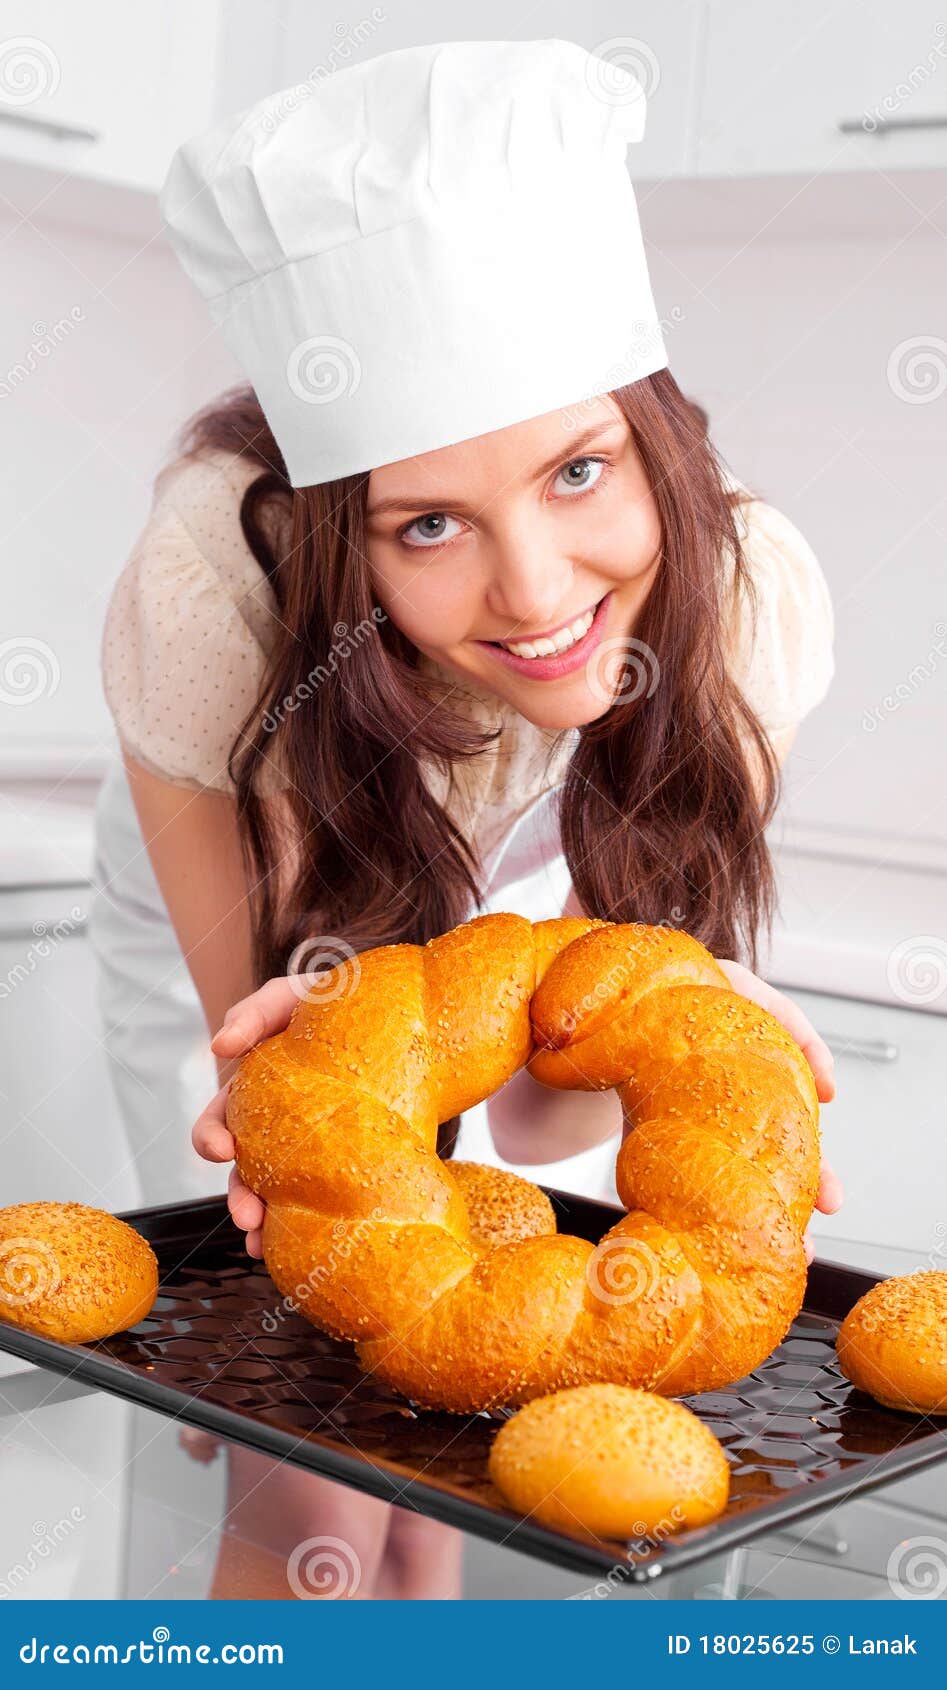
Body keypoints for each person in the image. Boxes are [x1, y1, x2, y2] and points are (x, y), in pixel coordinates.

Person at [91, 39, 843, 1600]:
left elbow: (541, 1123)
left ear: (657, 442)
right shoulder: (215, 600)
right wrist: (310, 1095)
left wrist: (695, 1023)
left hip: (514, 917)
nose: (538, 592)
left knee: (444, 1426)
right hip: (272, 898)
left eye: (579, 470)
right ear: (336, 545)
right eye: (426, 524)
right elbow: (295, 1054)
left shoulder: (746, 609)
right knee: (302, 1467)